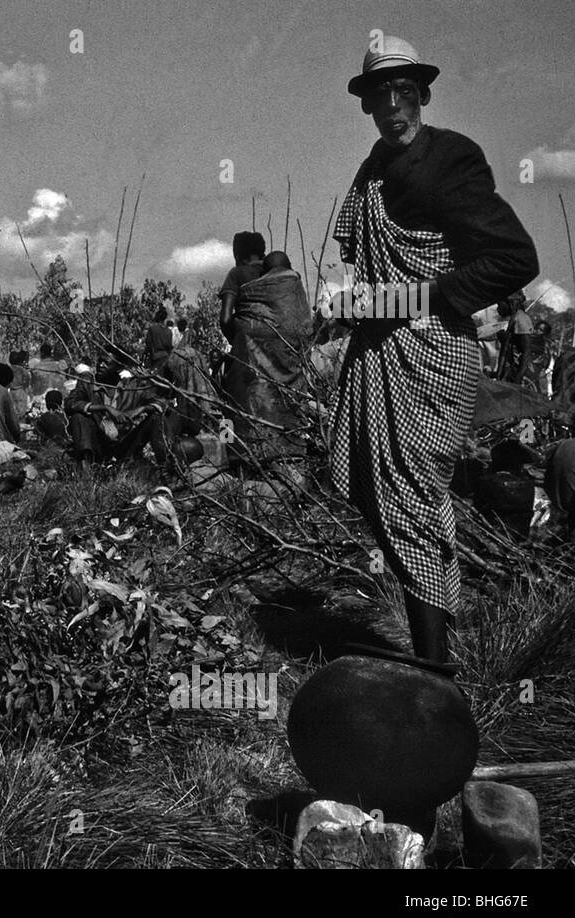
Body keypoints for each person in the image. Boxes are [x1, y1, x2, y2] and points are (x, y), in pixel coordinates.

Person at [332, 35, 539, 666]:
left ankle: (436, 667)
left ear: (422, 95)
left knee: (417, 499)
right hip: (379, 354)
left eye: (404, 93)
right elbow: (366, 269)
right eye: (379, 96)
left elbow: (514, 259)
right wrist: (350, 309)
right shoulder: (373, 167)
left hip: (431, 354)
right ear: (367, 105)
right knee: (380, 491)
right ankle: (432, 653)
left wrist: (401, 302)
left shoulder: (452, 159)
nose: (394, 107)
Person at [220, 250, 315, 462]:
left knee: (228, 405)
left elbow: (225, 319)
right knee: (288, 402)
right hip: (290, 373)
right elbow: (306, 332)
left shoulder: (240, 281)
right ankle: (291, 452)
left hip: (247, 371)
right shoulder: (296, 294)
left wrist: (240, 338)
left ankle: (231, 457)